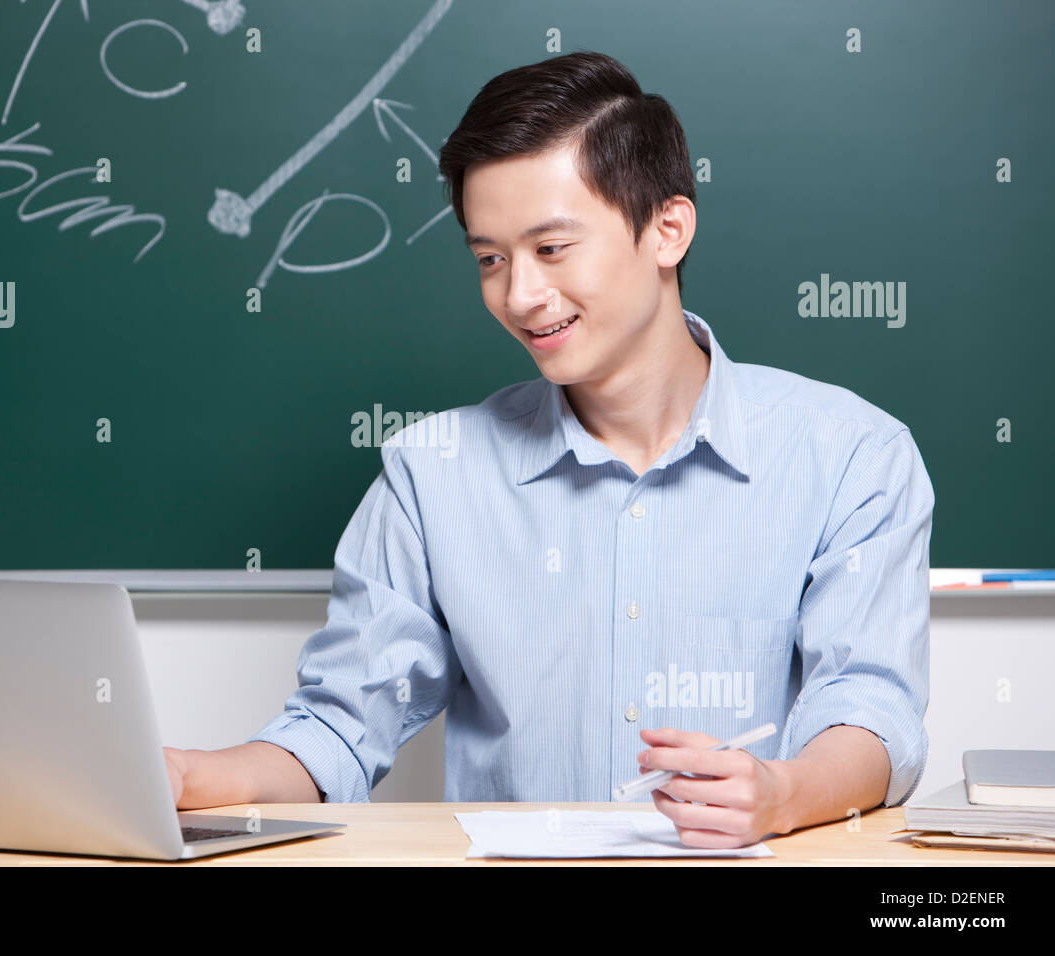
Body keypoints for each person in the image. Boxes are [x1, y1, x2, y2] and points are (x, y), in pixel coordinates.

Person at [163, 51, 934, 848]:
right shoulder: (432, 476)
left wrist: (783, 792)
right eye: (490, 258)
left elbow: (870, 712)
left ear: (667, 230)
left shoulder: (851, 455)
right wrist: (189, 775)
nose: (519, 295)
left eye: (553, 249)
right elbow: (340, 726)